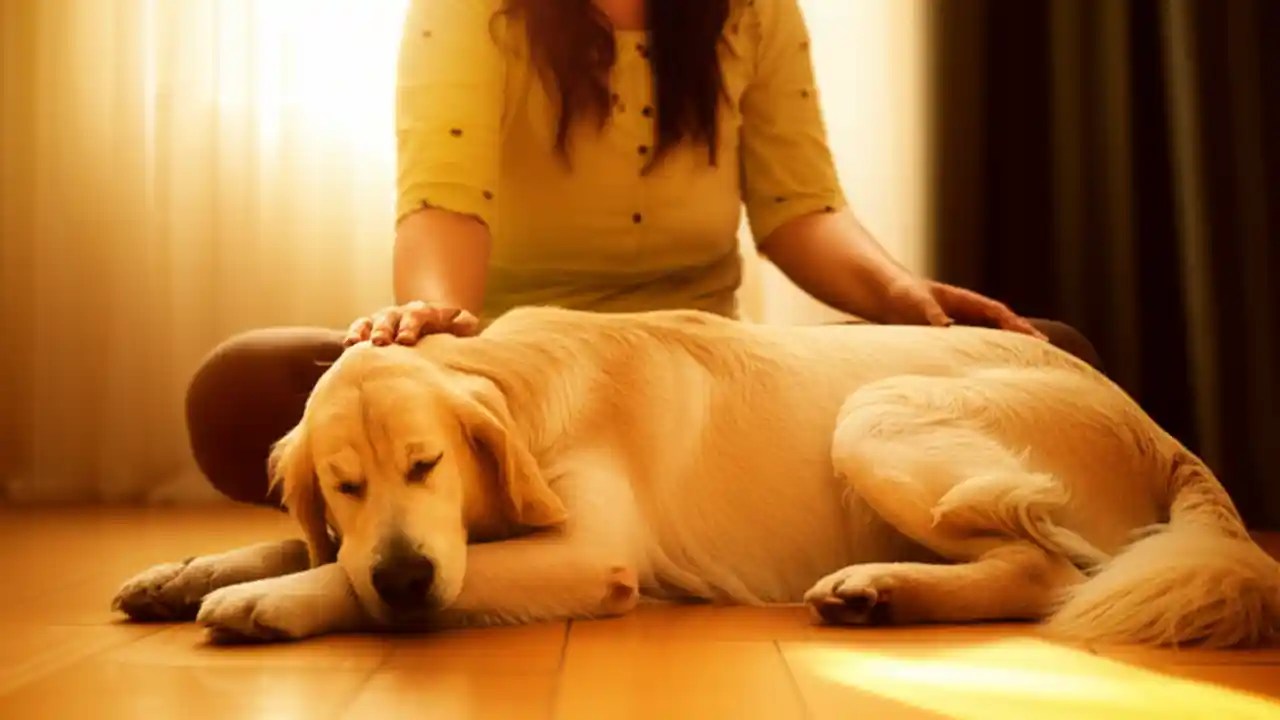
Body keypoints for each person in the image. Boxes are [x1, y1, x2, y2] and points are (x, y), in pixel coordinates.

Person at [186, 0, 1101, 505]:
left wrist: (906, 299)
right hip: (523, 377)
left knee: (1049, 356)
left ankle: (552, 512)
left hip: (703, 383)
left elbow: (799, 210)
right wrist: (435, 324)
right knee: (240, 389)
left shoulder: (752, 11)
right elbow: (444, 201)